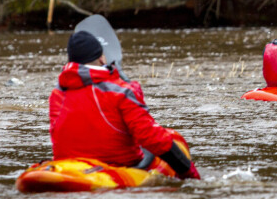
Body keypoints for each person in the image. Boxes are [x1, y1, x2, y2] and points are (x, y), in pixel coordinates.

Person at [49, 30, 199, 179]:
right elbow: (151, 137)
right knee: (172, 137)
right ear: (102, 59)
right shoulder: (121, 91)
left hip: (68, 167)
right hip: (118, 166)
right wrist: (191, 175)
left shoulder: (57, 94)